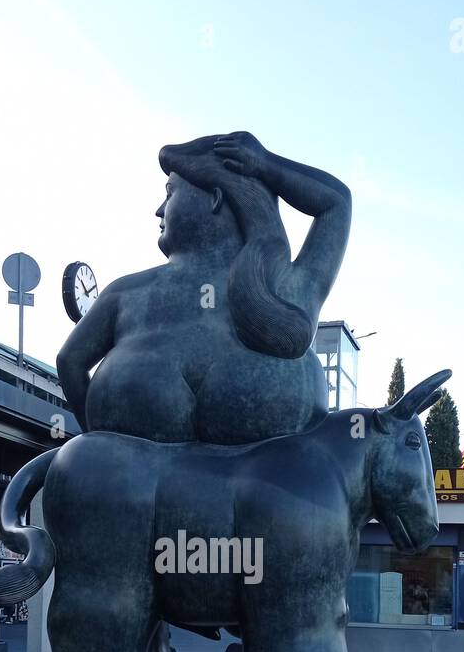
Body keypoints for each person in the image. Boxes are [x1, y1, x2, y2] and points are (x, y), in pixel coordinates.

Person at [56, 132, 351, 446]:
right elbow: (336, 203)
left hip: (123, 481)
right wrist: (266, 166)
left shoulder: (127, 295)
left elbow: (70, 361)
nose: (159, 210)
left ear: (215, 197)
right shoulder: (286, 290)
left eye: (170, 193)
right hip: (264, 490)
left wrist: (96, 444)